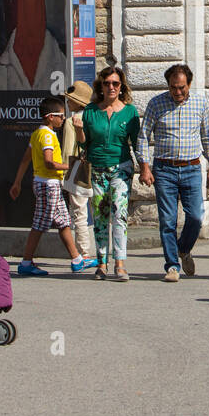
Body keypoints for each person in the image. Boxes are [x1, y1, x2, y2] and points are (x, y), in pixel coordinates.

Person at [138, 64, 209, 283]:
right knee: (168, 221)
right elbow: (143, 136)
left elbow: (207, 134)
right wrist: (144, 166)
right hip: (164, 169)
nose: (178, 92)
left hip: (191, 167)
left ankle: (183, 249)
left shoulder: (200, 103)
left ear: (189, 84)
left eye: (182, 87)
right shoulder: (156, 104)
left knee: (196, 216)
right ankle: (172, 265)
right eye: (174, 88)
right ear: (168, 86)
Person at [10, 95, 97, 274]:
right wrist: (72, 166)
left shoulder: (37, 134)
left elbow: (26, 159)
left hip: (47, 183)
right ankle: (26, 263)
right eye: (60, 116)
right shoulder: (48, 136)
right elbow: (49, 162)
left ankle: (77, 259)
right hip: (48, 184)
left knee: (64, 221)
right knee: (40, 224)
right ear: (50, 117)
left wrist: (17, 182)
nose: (63, 119)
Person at [77, 66, 140, 281]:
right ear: (100, 86)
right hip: (97, 168)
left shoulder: (130, 112)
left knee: (119, 214)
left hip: (121, 167)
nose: (111, 87)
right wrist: (78, 130)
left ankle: (120, 262)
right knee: (100, 216)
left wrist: (145, 167)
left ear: (121, 87)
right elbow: (83, 143)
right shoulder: (91, 111)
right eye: (107, 83)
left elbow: (137, 142)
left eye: (115, 83)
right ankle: (102, 262)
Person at [60, 80, 96, 261]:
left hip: (78, 169)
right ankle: (101, 250)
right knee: (97, 211)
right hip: (97, 167)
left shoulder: (70, 121)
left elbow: (68, 150)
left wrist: (63, 175)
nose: (67, 102)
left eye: (70, 99)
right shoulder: (95, 117)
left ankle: (85, 252)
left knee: (79, 213)